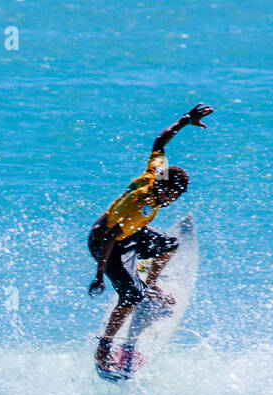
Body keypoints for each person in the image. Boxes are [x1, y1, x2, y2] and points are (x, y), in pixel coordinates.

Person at [88, 103, 214, 376]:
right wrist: (99, 274)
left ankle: (151, 284)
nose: (171, 203)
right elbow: (111, 236)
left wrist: (184, 121)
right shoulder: (140, 206)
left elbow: (159, 143)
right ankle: (103, 347)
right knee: (131, 295)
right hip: (106, 243)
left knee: (169, 245)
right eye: (171, 197)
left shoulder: (156, 173)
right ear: (162, 189)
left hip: (126, 232)